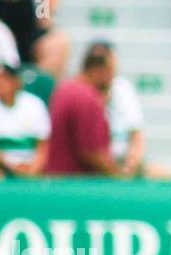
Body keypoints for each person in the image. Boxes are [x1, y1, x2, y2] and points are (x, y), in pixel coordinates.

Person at [44, 43, 121, 176]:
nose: (112, 80)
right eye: (111, 73)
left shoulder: (64, 88)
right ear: (99, 71)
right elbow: (91, 152)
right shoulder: (88, 98)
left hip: (57, 176)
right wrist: (117, 174)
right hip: (77, 182)